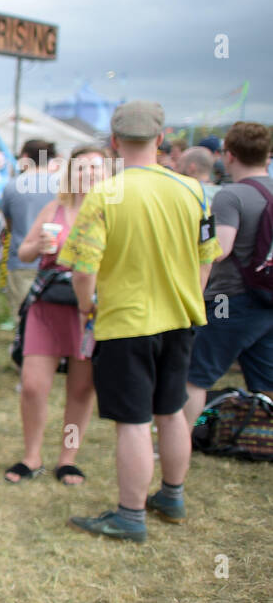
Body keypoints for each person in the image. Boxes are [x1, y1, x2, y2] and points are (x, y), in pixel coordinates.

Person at [60, 102, 219, 542]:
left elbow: (84, 269)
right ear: (162, 137)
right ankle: (172, 495)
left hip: (126, 322)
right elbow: (207, 259)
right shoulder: (194, 190)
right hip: (181, 317)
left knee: (132, 421)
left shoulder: (105, 194)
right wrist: (191, 298)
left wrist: (87, 307)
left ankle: (130, 516)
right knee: (170, 412)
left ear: (113, 141)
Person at [6, 146, 107, 486]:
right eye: (81, 169)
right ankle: (31, 456)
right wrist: (39, 247)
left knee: (81, 390)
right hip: (47, 306)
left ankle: (68, 459)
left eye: (95, 169)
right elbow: (22, 251)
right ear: (70, 174)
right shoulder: (56, 208)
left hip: (89, 311)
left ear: (108, 174)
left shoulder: (113, 212)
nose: (88, 175)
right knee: (33, 386)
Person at [184, 121, 273, 425]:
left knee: (197, 374)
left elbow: (220, 248)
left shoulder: (231, 195)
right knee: (265, 377)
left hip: (230, 297)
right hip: (268, 295)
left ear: (228, 155)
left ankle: (179, 440)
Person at [1, 139, 60, 325]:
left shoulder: (13, 185)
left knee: (23, 318)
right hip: (56, 260)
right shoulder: (62, 185)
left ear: (25, 157)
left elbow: (9, 224)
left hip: (21, 260)